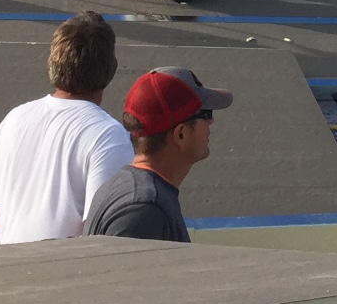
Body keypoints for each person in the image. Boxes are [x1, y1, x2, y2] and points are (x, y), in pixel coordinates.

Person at [0, 11, 134, 243]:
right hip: (66, 274)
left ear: (52, 62)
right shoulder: (108, 136)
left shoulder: (13, 120)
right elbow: (101, 232)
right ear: (112, 70)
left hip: (11, 271)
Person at [84, 66, 232, 242]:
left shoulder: (132, 191)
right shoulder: (144, 210)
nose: (211, 121)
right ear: (181, 133)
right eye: (206, 114)